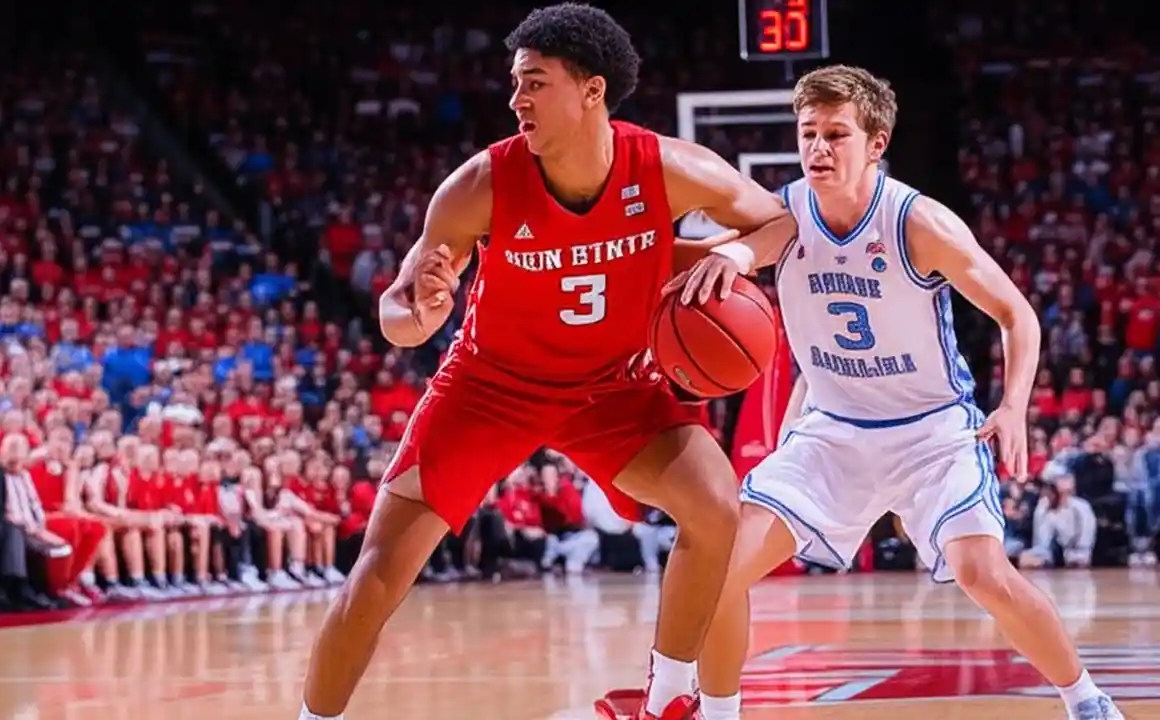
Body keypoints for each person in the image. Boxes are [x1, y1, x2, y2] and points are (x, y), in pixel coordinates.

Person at [297, 4, 795, 719]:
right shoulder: (481, 184)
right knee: (377, 575)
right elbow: (396, 312)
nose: (516, 99)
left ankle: (668, 698)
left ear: (592, 91)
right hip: (489, 389)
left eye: (534, 82)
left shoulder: (667, 167)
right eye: (515, 83)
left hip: (614, 391)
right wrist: (422, 315)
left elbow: (780, 219)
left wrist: (738, 254)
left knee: (716, 508)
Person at [603, 64, 1123, 720]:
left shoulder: (918, 223)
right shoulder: (785, 212)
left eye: (836, 134)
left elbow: (1016, 314)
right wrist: (702, 256)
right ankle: (718, 714)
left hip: (930, 430)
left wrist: (1013, 405)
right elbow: (722, 249)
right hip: (832, 432)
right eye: (808, 133)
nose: (818, 148)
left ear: (876, 143)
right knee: (719, 568)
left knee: (983, 574)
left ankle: (1087, 701)